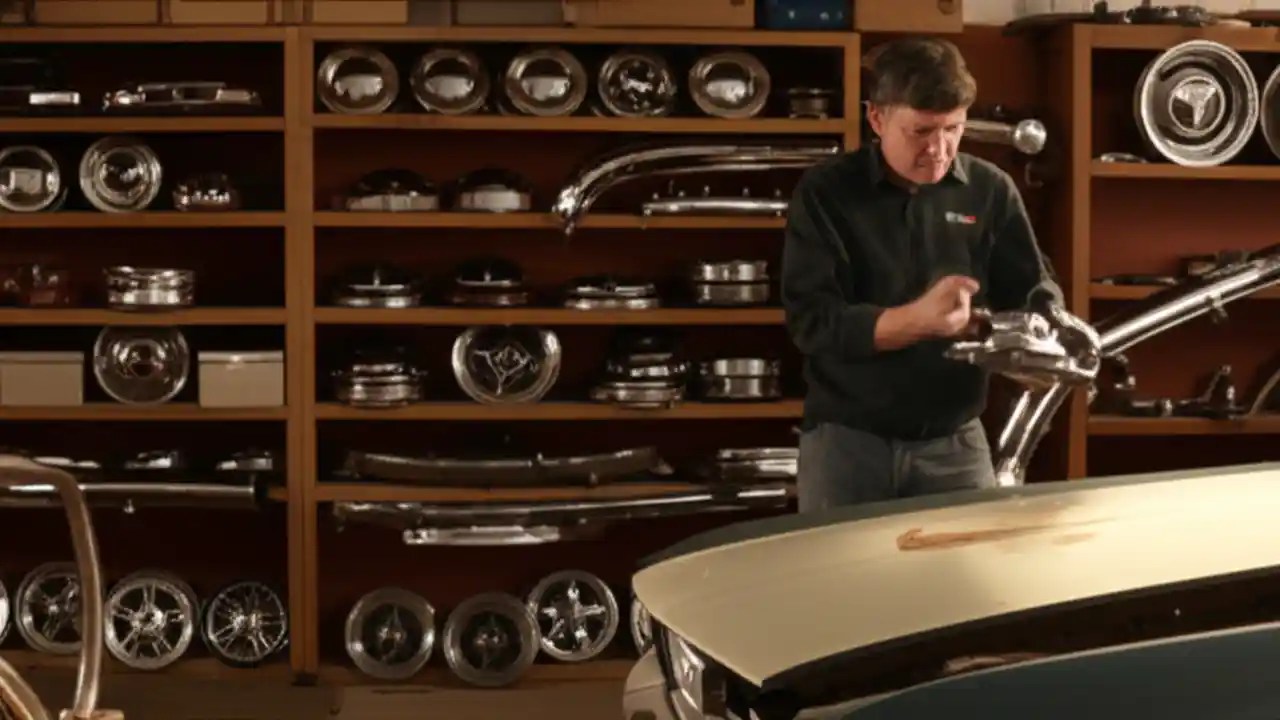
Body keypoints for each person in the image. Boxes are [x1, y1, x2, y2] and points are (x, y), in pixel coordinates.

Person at [781, 36, 1064, 513]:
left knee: (965, 587)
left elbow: (1034, 295)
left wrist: (1039, 345)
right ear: (877, 118)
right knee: (839, 589)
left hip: (957, 447)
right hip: (847, 448)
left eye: (953, 129)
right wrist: (919, 321)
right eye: (921, 132)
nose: (939, 150)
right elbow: (814, 323)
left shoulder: (991, 191)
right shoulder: (825, 194)